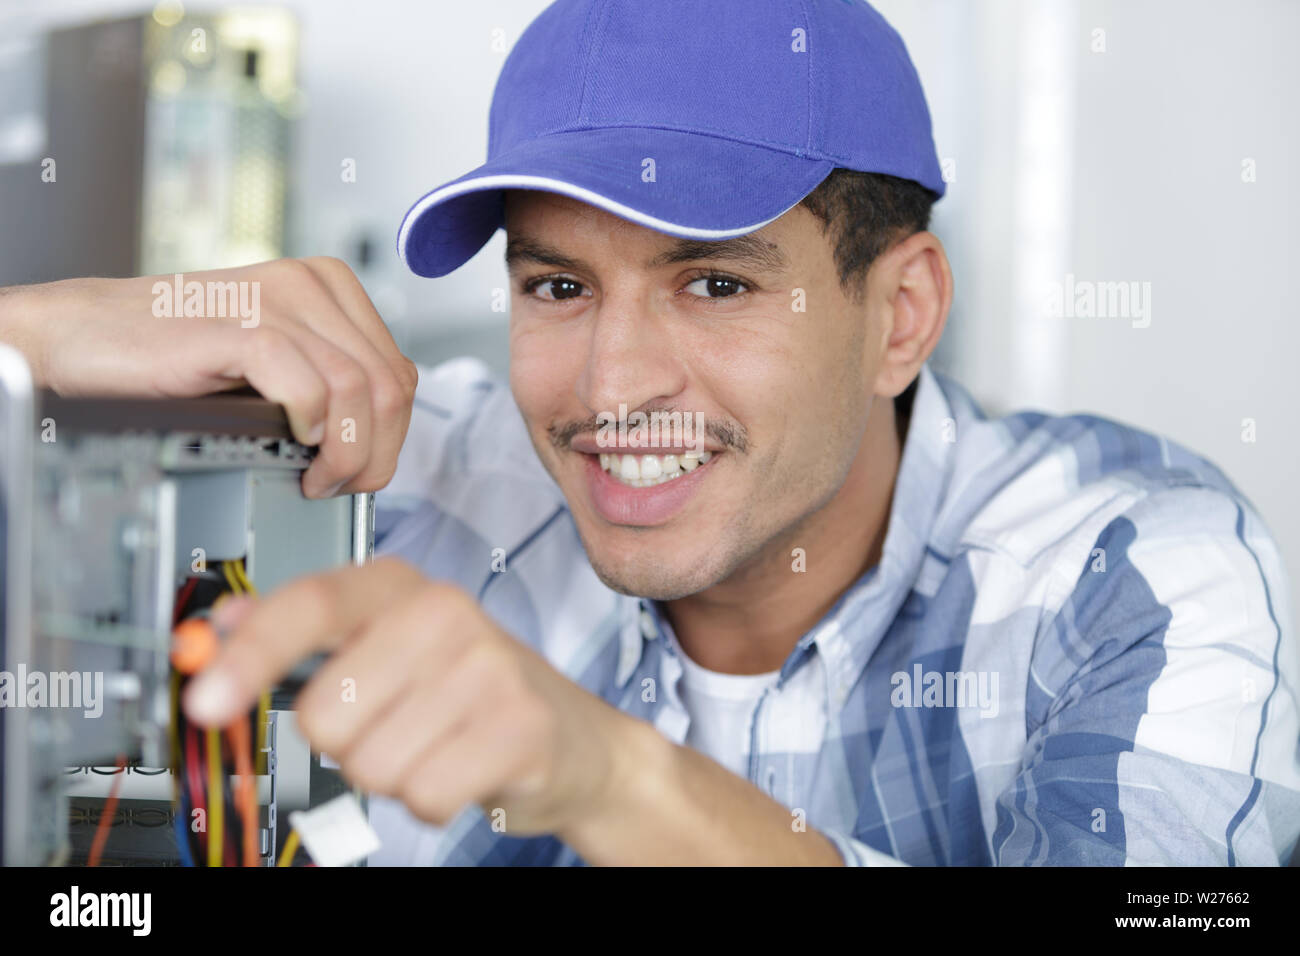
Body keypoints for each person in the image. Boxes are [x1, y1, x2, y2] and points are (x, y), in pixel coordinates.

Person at [1, 0, 1296, 866]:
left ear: (901, 315)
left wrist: (607, 780)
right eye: (557, 287)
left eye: (716, 284)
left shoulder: (1139, 576)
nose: (610, 385)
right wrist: (37, 341)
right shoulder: (375, 484)